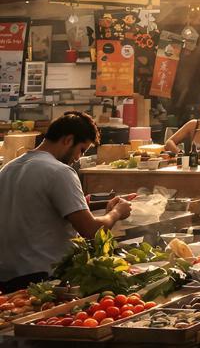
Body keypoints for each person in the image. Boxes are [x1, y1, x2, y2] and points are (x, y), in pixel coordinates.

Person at [0, 113, 132, 291]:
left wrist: (97, 205)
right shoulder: (59, 171)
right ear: (68, 140)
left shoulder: (8, 169)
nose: (78, 158)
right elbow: (90, 230)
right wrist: (117, 212)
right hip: (44, 280)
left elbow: (37, 209)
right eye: (81, 150)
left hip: (7, 279)